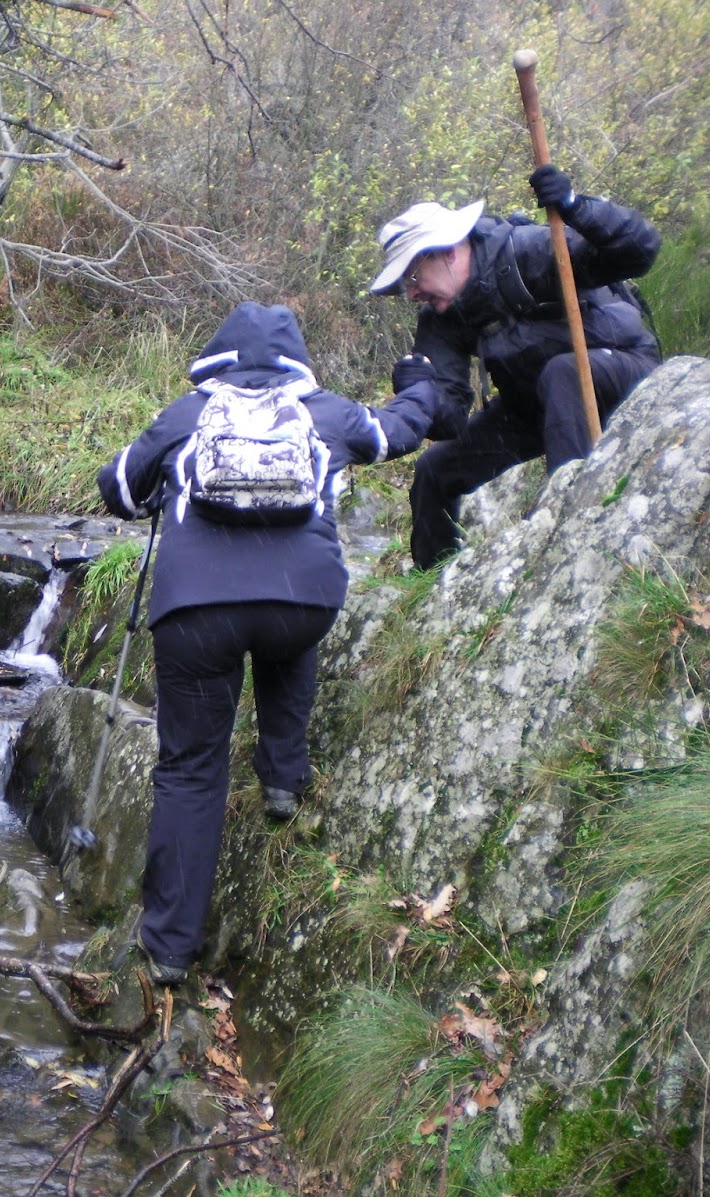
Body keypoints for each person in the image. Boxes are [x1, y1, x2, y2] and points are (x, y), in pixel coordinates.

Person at [97, 301, 441, 984]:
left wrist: (156, 491)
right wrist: (421, 382)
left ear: (219, 351)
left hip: (195, 610)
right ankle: (283, 777)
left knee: (191, 769)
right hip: (302, 601)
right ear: (293, 353)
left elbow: (117, 483)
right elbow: (398, 431)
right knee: (287, 642)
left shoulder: (188, 412)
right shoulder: (326, 410)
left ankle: (168, 947)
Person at [369, 165, 662, 570]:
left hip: (623, 372)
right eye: (405, 284)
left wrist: (576, 207)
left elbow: (639, 250)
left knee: (563, 373)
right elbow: (450, 416)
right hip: (538, 406)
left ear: (448, 251)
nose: (412, 292)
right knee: (435, 469)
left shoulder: (529, 250)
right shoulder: (442, 318)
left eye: (413, 275)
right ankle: (435, 581)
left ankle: (568, 532)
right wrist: (418, 392)